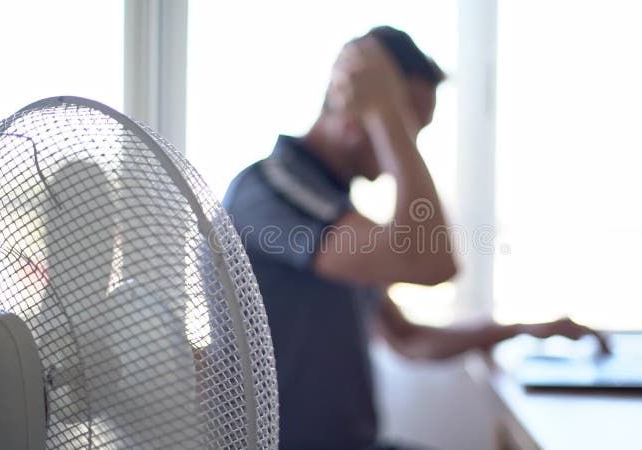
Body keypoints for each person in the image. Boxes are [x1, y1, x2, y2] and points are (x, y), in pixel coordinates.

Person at [223, 26, 607, 450]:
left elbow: (407, 339)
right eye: (407, 126)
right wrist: (389, 117)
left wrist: (521, 329)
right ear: (359, 111)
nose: (404, 146)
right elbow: (430, 262)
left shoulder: (333, 210)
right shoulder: (268, 190)